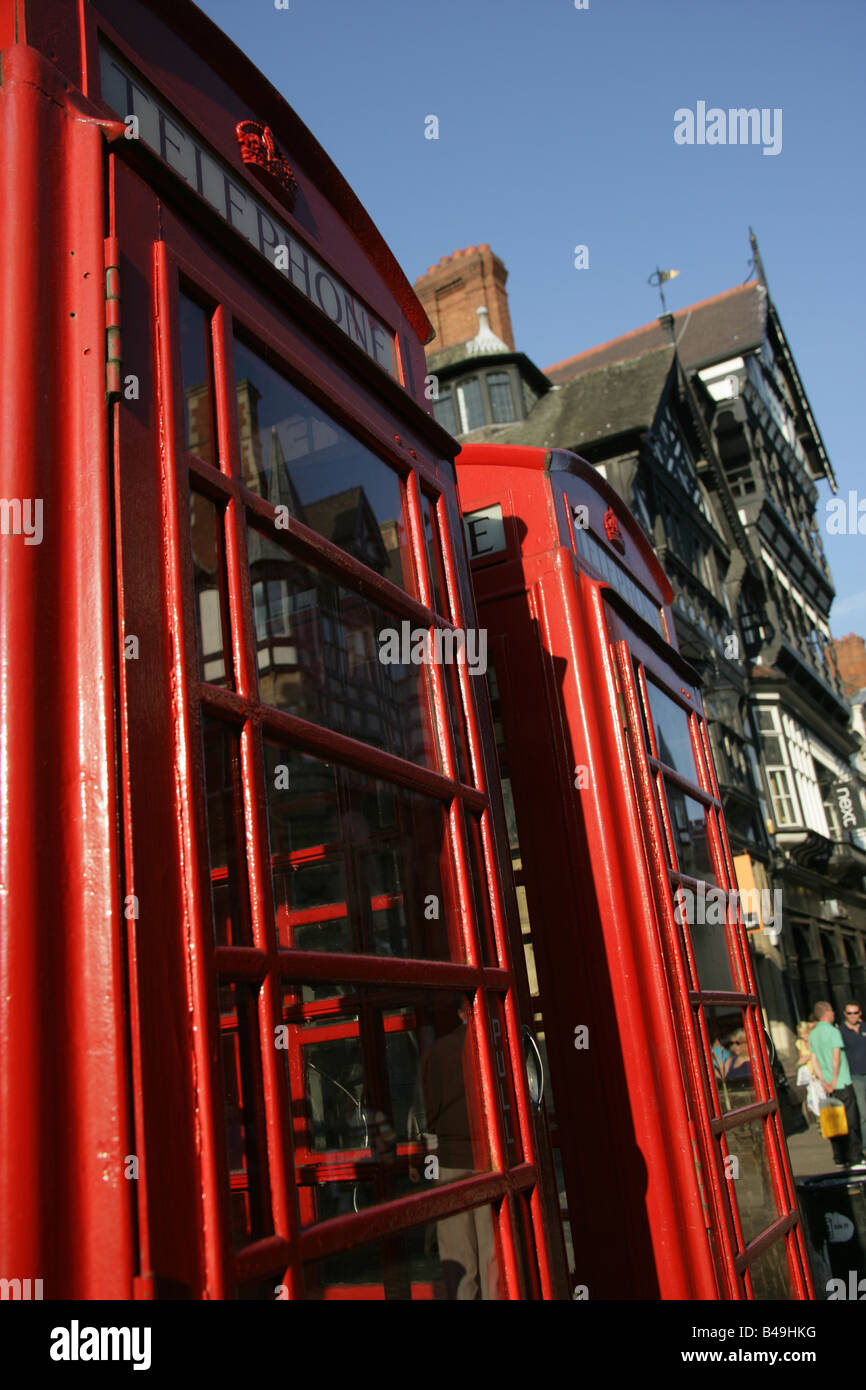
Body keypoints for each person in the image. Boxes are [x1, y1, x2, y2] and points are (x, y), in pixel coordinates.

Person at [420, 994, 499, 1299]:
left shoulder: (437, 1052)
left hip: (451, 1161)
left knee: (459, 1258)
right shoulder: (493, 1047)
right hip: (489, 1158)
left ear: (457, 1013)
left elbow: (430, 1114)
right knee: (491, 1253)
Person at [809, 1001, 862, 1166]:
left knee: (833, 1122)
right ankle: (855, 1158)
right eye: (832, 1010)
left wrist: (823, 1081)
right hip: (841, 1083)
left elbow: (814, 1060)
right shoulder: (833, 1031)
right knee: (850, 1121)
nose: (834, 1013)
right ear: (826, 1013)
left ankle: (840, 1158)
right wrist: (833, 1080)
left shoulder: (813, 1034)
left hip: (827, 1087)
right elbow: (836, 1057)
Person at [840, 1001, 866, 1160]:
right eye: (850, 1013)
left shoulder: (864, 1028)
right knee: (863, 1114)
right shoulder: (841, 1032)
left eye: (855, 1012)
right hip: (855, 1076)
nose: (853, 1016)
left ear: (860, 1013)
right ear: (845, 1014)